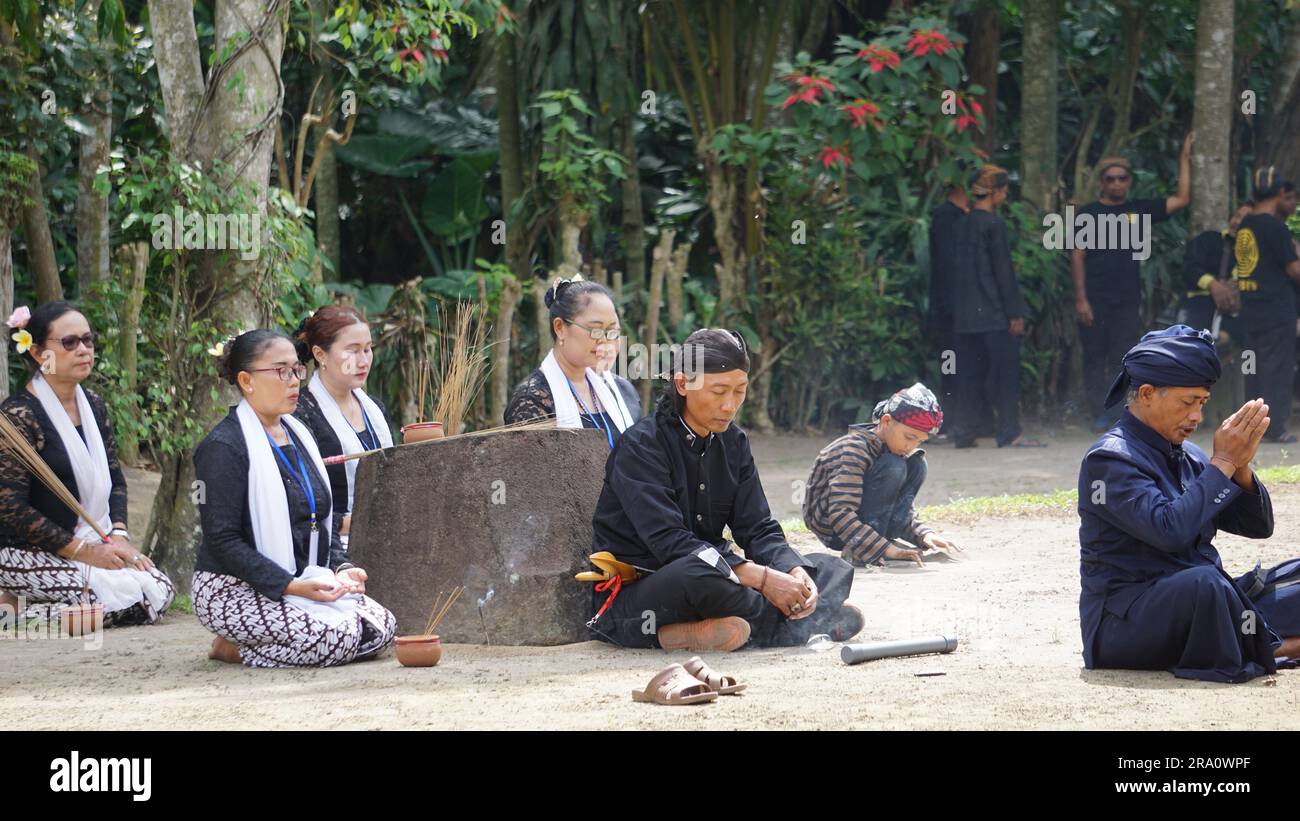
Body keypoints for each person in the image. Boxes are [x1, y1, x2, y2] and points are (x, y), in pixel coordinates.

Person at [586, 328, 859, 652]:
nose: (730, 405)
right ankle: (801, 624)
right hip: (653, 587)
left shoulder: (734, 442)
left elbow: (758, 529)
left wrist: (792, 571)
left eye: (739, 391)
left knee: (829, 569)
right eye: (718, 391)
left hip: (723, 577)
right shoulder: (641, 446)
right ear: (683, 383)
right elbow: (670, 544)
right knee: (696, 574)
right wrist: (764, 580)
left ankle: (736, 626)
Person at [1078, 325, 1300, 683]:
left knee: (1289, 578)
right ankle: (1277, 647)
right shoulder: (1109, 460)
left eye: (1202, 403)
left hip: (1203, 606)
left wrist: (1239, 465)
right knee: (1205, 585)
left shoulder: (1191, 457)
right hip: (1126, 624)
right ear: (1148, 394)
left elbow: (1258, 527)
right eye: (1187, 402)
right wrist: (1224, 462)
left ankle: (1260, 640)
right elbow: (1170, 531)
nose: (1196, 416)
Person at [192, 329, 396, 667]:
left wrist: (342, 568)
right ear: (246, 380)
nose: (293, 381)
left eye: (297, 370)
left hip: (303, 578)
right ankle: (234, 647)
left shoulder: (298, 434)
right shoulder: (224, 446)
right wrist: (289, 586)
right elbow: (222, 540)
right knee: (338, 639)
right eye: (280, 371)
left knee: (382, 626)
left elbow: (319, 518)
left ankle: (256, 641)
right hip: (233, 587)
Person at [0, 301, 174, 626]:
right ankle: (12, 613)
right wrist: (82, 551)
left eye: (88, 340)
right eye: (69, 342)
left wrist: (118, 537)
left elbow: (115, 480)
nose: (83, 349)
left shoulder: (94, 405)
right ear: (38, 353)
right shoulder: (17, 416)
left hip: (97, 540)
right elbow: (10, 508)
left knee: (158, 589)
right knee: (104, 601)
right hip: (23, 551)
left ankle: (24, 607)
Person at [1073, 135, 1192, 432]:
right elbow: (1077, 257)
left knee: (1123, 357)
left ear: (1128, 181)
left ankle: (1119, 413)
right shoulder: (1088, 213)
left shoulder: (1139, 210)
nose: (1116, 183)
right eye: (1110, 179)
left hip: (1127, 299)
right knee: (1093, 358)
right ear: (1102, 182)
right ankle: (1097, 414)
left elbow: (1182, 199)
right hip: (1095, 299)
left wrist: (1185, 157)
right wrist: (1081, 299)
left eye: (1122, 178)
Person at [804, 383, 961, 568]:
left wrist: (924, 534)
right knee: (895, 466)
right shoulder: (854, 448)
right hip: (836, 529)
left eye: (919, 440)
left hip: (864, 525)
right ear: (886, 422)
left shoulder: (896, 451)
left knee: (917, 463)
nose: (911, 445)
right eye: (909, 437)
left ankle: (878, 543)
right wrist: (886, 549)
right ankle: (862, 550)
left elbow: (901, 509)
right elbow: (840, 512)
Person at [950, 164, 1041, 448]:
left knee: (968, 375)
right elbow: (1003, 273)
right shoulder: (994, 225)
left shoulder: (959, 223)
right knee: (1005, 374)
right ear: (998, 193)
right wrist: (1015, 312)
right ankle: (1008, 432)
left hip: (964, 315)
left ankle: (965, 432)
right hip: (993, 314)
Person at [292, 305, 392, 545]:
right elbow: (299, 502)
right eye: (352, 350)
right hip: (330, 544)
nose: (363, 360)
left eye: (368, 349)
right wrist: (356, 523)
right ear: (320, 354)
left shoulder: (375, 408)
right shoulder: (300, 413)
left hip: (387, 533)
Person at [504, 276, 639, 447]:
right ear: (560, 328)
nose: (605, 340)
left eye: (612, 331)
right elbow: (532, 471)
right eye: (595, 330)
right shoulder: (532, 402)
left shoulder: (621, 391)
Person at [1234, 166, 1300, 443]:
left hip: (1251, 311)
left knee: (1253, 370)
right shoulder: (1275, 227)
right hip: (1276, 312)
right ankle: (1275, 429)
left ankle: (1251, 427)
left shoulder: (1245, 225)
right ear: (1281, 192)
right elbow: (1294, 270)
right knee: (1278, 370)